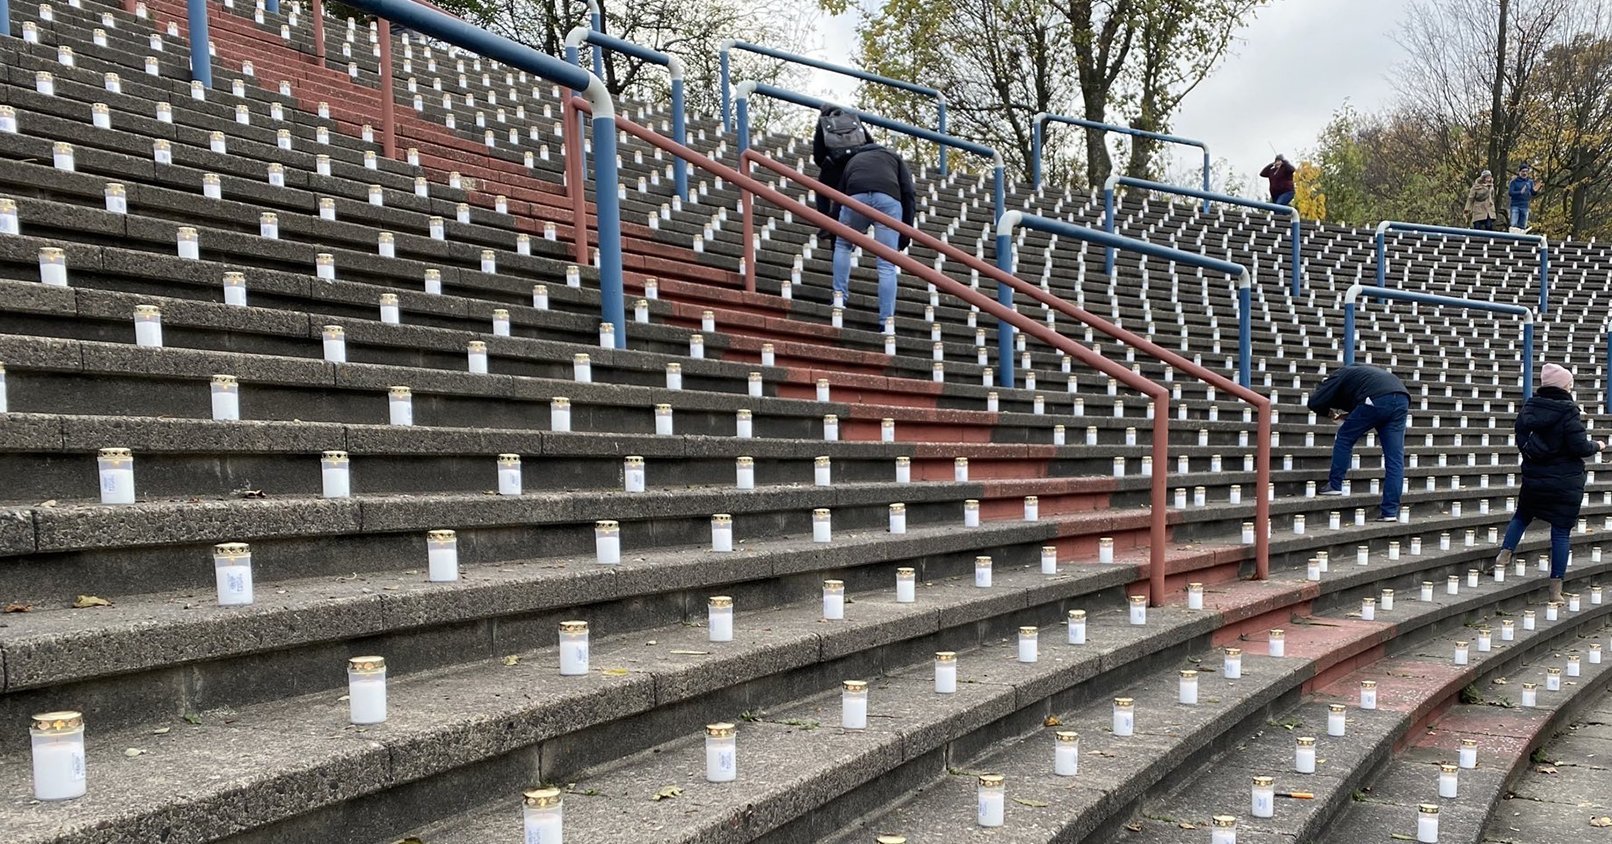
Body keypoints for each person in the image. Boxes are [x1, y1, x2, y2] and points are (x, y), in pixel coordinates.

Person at [1494, 364, 1609, 602]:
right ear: (1563, 386)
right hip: (1565, 482)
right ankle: (1555, 588)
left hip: (1535, 477)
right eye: (1569, 383)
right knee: (1560, 532)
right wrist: (1598, 445)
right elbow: (1579, 447)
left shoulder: (1529, 409)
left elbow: (1522, 440)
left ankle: (1503, 556)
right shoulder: (1568, 412)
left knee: (1523, 515)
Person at [1305, 364, 1410, 521]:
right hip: (1401, 398)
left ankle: (1335, 484)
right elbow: (1363, 405)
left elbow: (1314, 402)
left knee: (1344, 437)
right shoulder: (1359, 374)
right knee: (1395, 458)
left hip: (1377, 399)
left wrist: (1330, 413)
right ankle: (1390, 511)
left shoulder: (1337, 376)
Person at [829, 141, 917, 323]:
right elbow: (908, 193)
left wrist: (833, 230)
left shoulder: (854, 159)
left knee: (843, 245)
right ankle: (886, 321)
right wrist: (905, 232)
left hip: (856, 197)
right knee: (887, 262)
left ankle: (839, 299)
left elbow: (839, 195)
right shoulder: (894, 158)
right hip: (888, 200)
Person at [811, 105, 873, 246]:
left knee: (822, 191)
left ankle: (826, 224)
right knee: (848, 196)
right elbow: (870, 143)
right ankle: (855, 226)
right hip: (855, 167)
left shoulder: (824, 123)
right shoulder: (854, 120)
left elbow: (818, 154)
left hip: (833, 168)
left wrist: (827, 164)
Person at [1508, 164, 1539, 231]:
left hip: (1525, 206)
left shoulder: (1530, 182)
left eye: (1526, 171)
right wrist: (1520, 192)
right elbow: (1510, 193)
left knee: (1522, 226)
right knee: (1513, 225)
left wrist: (1536, 190)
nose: (1524, 173)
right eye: (1523, 171)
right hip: (1515, 206)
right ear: (1519, 172)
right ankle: (1512, 240)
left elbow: (1532, 193)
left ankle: (1520, 240)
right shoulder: (1514, 181)